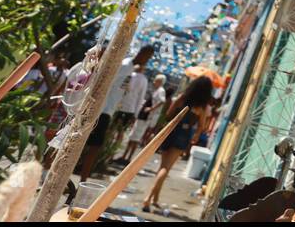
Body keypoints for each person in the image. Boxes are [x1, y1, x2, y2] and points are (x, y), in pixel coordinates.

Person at [77, 45, 155, 180]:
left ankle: (83, 179)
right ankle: (82, 179)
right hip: (102, 110)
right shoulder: (125, 66)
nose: (146, 60)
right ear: (141, 53)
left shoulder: (130, 68)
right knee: (91, 146)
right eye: (147, 56)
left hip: (108, 110)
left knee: (94, 147)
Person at [140, 76, 215, 214]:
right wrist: (195, 136)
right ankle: (148, 198)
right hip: (184, 136)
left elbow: (168, 114)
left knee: (162, 167)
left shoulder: (182, 97)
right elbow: (201, 127)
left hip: (171, 131)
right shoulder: (202, 107)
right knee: (165, 169)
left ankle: (155, 198)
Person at [119, 74, 168, 162]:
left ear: (160, 82)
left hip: (146, 117)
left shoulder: (161, 90)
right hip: (143, 116)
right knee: (133, 136)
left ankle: (127, 158)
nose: (154, 82)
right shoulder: (157, 90)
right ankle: (125, 156)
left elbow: (162, 101)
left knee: (135, 137)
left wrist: (151, 109)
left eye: (156, 80)